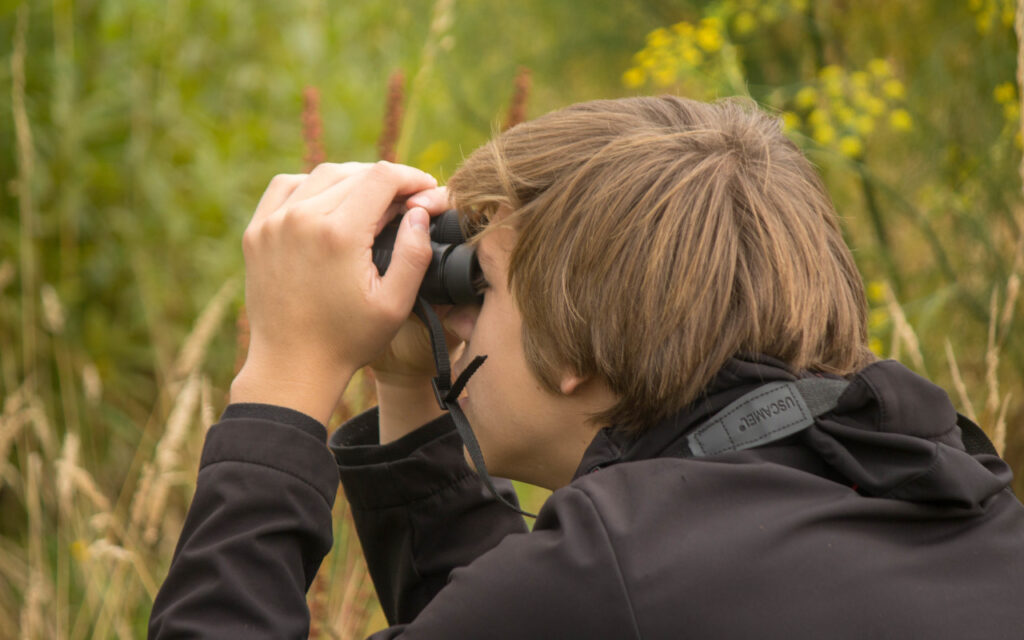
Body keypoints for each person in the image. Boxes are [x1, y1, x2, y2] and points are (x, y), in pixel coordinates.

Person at [148, 96, 1024, 639]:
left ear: (571, 352)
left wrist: (283, 382)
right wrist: (409, 380)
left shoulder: (624, 572)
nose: (456, 312)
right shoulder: (928, 476)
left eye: (477, 284)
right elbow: (528, 607)